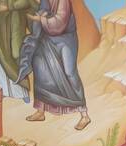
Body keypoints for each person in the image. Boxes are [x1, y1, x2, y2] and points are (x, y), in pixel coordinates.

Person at [16, 0, 89, 130]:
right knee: (40, 66)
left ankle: (84, 114)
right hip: (48, 37)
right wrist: (40, 15)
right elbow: (43, 9)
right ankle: (40, 111)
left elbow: (60, 22)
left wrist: (41, 19)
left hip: (65, 39)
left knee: (69, 72)